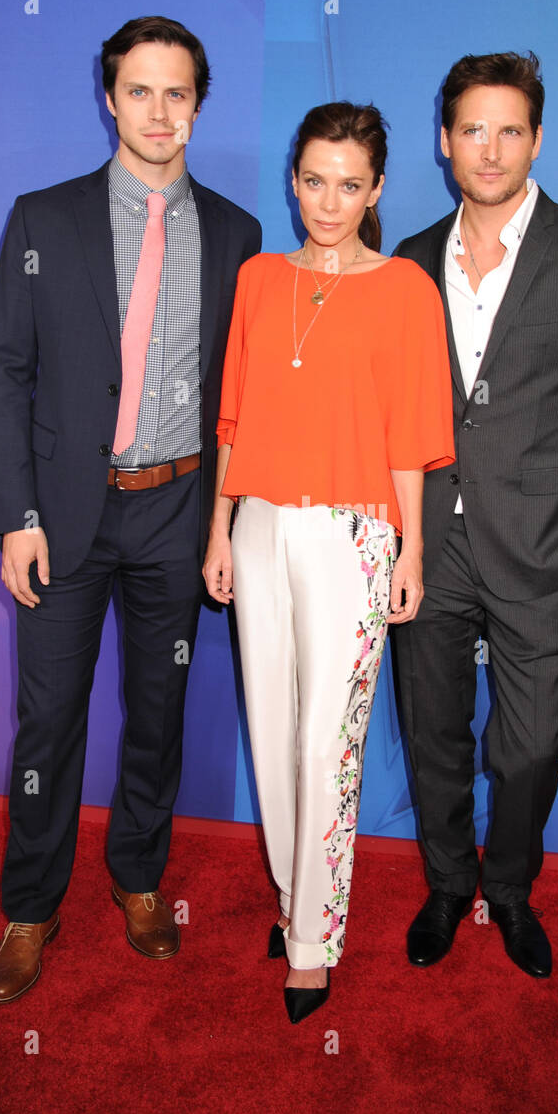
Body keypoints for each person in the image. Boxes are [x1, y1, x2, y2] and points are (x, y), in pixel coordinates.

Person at [0, 16, 261, 1003]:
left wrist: (227, 522)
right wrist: (17, 513)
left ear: (198, 104)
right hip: (61, 517)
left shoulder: (237, 235)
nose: (157, 110)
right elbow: (4, 375)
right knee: (47, 719)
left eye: (176, 92)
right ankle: (30, 904)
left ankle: (140, 879)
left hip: (176, 513)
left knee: (159, 711)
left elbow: (241, 395)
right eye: (139, 90)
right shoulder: (40, 221)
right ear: (109, 98)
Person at [393, 52, 558, 978]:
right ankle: (446, 885)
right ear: (445, 140)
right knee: (430, 730)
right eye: (473, 128)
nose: (491, 148)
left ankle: (508, 889)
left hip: (548, 547)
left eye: (510, 129)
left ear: (538, 139)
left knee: (531, 746)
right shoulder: (412, 258)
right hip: (426, 543)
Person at [203, 102, 455, 1023]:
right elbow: (233, 418)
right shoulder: (261, 280)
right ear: (294, 180)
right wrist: (220, 528)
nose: (330, 201)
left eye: (350, 185)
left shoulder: (405, 291)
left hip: (356, 533)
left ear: (377, 188)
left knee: (326, 742)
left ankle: (314, 937)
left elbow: (409, 439)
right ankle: (290, 892)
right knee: (272, 731)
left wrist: (412, 549)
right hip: (261, 523)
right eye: (315, 181)